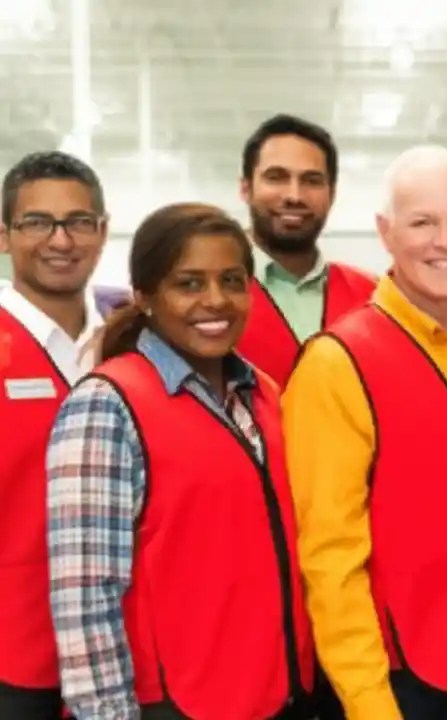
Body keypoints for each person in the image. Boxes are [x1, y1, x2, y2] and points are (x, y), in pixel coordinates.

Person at [283, 146, 447, 719]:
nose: (445, 241)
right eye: (422, 223)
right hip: (409, 682)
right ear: (386, 232)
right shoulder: (337, 363)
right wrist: (368, 703)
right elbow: (330, 557)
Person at [45, 202, 314, 719]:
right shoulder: (106, 405)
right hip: (176, 706)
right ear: (144, 297)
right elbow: (85, 598)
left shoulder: (265, 395)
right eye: (188, 284)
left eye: (232, 281)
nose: (216, 300)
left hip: (282, 697)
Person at [0, 151, 110, 719]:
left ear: (103, 231)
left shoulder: (132, 341)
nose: (60, 240)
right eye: (38, 222)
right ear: (4, 236)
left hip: (117, 653)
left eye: (78, 222)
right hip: (15, 655)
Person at [236, 113, 376, 387]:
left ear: (332, 193)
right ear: (246, 188)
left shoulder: (372, 295)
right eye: (276, 177)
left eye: (312, 180)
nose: (294, 196)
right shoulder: (210, 296)